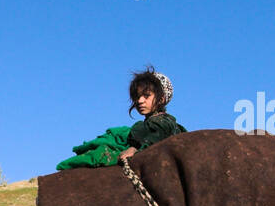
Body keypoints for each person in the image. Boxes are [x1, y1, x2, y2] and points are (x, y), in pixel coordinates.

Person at [56, 66, 186, 170]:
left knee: (101, 153)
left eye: (146, 96)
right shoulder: (149, 122)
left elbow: (155, 138)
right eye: (137, 96)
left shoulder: (163, 122)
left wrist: (134, 149)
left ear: (161, 99)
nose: (140, 101)